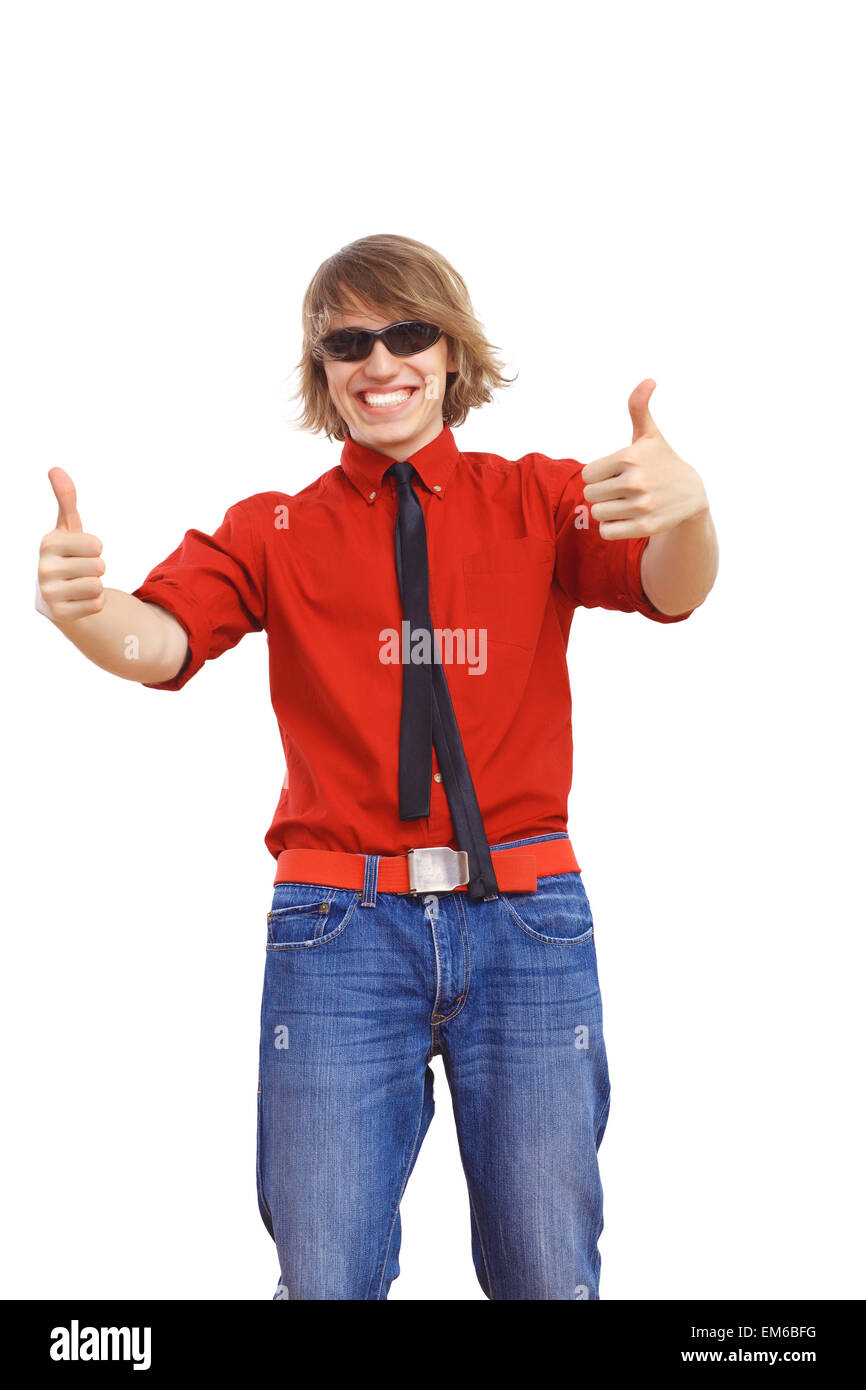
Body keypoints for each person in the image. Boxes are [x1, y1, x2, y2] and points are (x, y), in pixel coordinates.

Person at [36, 233, 718, 1300]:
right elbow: (155, 643)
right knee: (325, 1278)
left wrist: (691, 512)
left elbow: (672, 588)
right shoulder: (274, 530)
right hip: (337, 930)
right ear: (323, 370)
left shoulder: (537, 498)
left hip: (527, 918)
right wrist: (86, 617)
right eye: (348, 341)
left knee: (550, 1275)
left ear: (450, 353)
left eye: (407, 333)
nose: (379, 360)